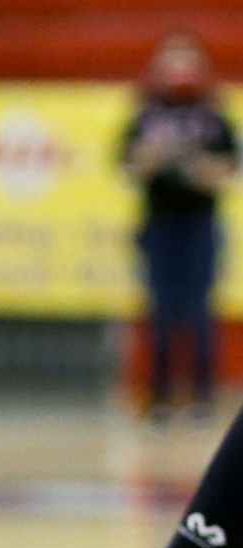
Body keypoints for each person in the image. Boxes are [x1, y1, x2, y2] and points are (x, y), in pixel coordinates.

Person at [122, 31, 237, 419]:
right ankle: (159, 396)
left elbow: (225, 171)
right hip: (158, 223)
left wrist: (192, 165)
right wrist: (157, 154)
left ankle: (203, 396)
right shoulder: (146, 114)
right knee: (161, 309)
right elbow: (129, 166)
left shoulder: (213, 116)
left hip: (200, 222)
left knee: (199, 309)